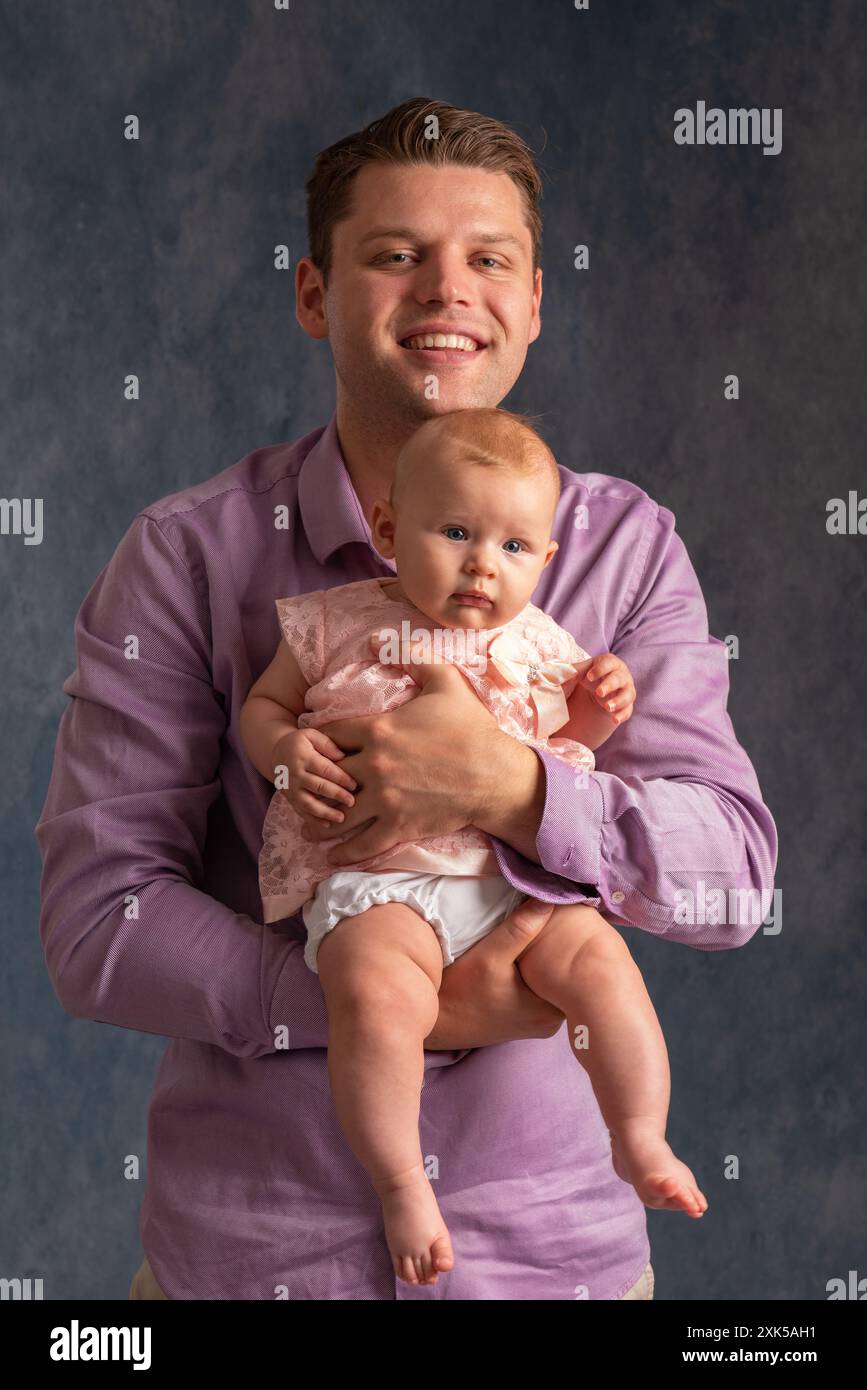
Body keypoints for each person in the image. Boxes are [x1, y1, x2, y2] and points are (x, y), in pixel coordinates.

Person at [35, 96, 777, 1301]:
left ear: (535, 300)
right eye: (395, 256)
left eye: (488, 260)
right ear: (315, 295)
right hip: (252, 1258)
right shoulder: (189, 557)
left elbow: (733, 880)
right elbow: (96, 922)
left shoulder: (624, 551)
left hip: (557, 1265)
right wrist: (375, 997)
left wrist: (513, 786)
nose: (447, 292)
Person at [240, 406, 708, 1287]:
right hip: (374, 880)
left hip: (506, 879)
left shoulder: (539, 646)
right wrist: (281, 749)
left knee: (603, 968)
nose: (481, 565)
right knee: (376, 999)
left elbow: (567, 741)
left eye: (513, 548)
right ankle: (401, 1185)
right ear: (387, 527)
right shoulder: (333, 623)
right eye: (454, 532)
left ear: (546, 561)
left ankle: (638, 1132)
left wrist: (601, 707)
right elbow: (263, 709)